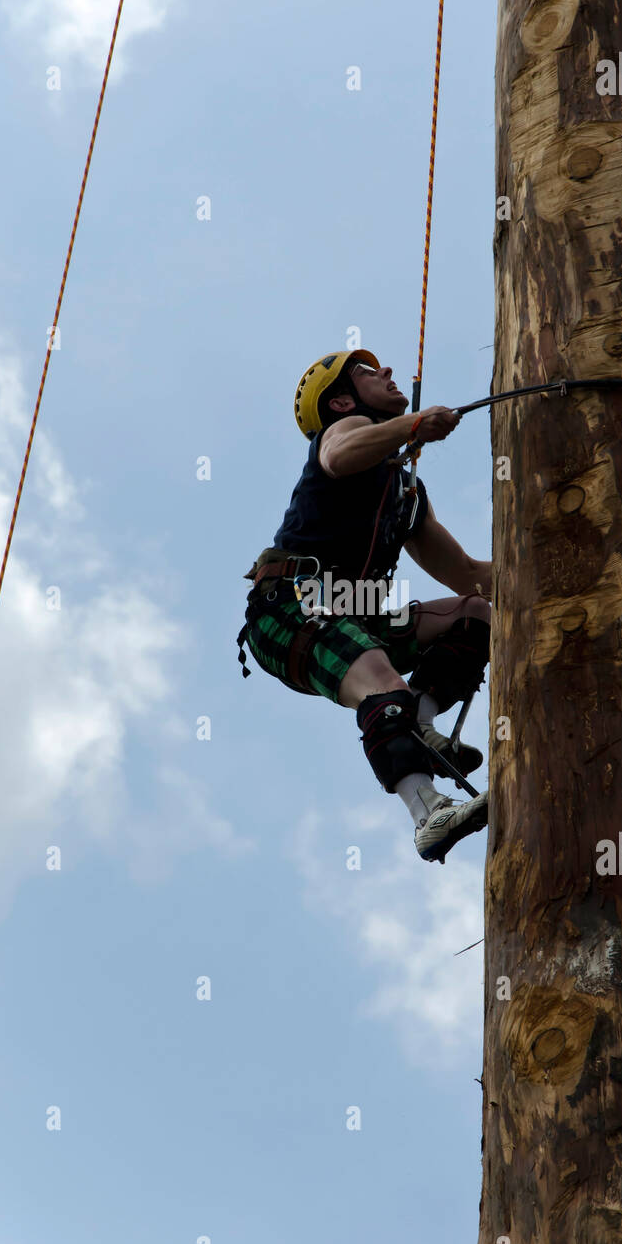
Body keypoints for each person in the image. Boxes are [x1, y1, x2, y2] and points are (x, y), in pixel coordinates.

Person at [237, 349, 492, 863]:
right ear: (343, 400)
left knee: (477, 614)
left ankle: (417, 721)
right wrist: (414, 423)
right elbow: (337, 457)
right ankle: (427, 815)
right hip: (291, 608)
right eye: (367, 372)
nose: (388, 373)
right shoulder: (341, 433)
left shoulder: (404, 487)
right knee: (379, 677)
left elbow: (470, 577)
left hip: (356, 614)